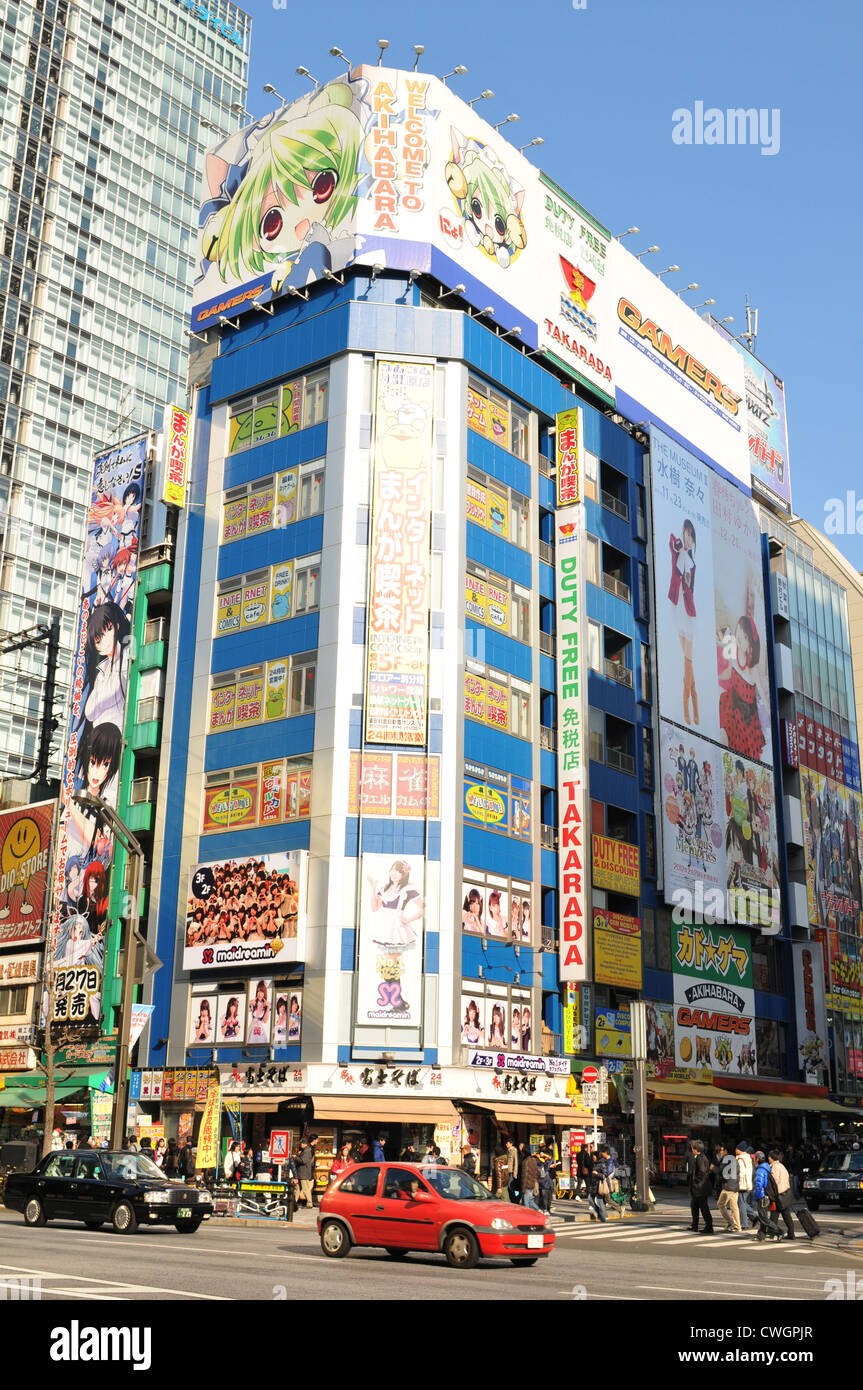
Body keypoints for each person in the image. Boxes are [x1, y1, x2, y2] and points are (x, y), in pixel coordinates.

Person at [753, 1150, 783, 1242]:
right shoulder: (766, 1168)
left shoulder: (760, 1170)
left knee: (763, 1218)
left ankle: (779, 1231)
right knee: (763, 1216)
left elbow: (759, 1185)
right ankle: (761, 1236)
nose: (754, 1160)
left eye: (754, 1158)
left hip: (762, 1196)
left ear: (757, 1159)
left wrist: (756, 1196)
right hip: (766, 1196)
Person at [767, 1148, 796, 1239]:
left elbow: (774, 1182)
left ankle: (772, 1232)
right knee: (786, 1215)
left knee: (774, 1214)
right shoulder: (782, 1166)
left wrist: (771, 1194)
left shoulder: (774, 1167)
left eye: (769, 1157)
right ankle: (791, 1233)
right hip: (785, 1193)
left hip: (778, 1194)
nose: (768, 1158)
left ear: (772, 1158)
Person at [713, 1142, 742, 1233]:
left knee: (720, 1204)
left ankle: (730, 1223)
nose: (720, 1152)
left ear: (725, 1151)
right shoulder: (733, 1159)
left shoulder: (727, 1159)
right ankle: (737, 1226)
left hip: (729, 1186)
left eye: (721, 1150)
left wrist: (713, 1168)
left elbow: (724, 1173)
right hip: (735, 1185)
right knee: (734, 1206)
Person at [687, 1139, 714, 1233]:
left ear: (695, 1149)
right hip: (699, 1187)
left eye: (692, 1148)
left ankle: (709, 1226)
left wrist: (695, 1180)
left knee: (703, 1208)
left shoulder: (700, 1158)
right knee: (695, 1207)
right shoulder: (701, 1157)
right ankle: (695, 1225)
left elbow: (702, 1172)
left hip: (700, 1188)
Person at [736, 1141, 756, 1230]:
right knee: (743, 1202)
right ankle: (754, 1217)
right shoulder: (748, 1158)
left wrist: (737, 1181)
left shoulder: (740, 1159)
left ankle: (744, 1223)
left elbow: (741, 1172)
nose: (735, 1150)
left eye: (736, 1148)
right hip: (748, 1183)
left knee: (741, 1203)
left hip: (742, 1184)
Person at [588, 1145, 611, 1223]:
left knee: (599, 1201)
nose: (593, 1157)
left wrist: (597, 1173)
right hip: (593, 1185)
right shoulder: (593, 1164)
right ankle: (600, 1214)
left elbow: (605, 1175)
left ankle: (603, 1217)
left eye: (594, 1156)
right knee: (590, 1200)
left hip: (599, 1185)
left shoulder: (602, 1164)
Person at [296, 1134, 318, 1208]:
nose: (300, 1145)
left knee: (305, 1189)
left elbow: (303, 1161)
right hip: (301, 1172)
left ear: (304, 1144)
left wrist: (296, 1157)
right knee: (298, 1188)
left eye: (301, 1144)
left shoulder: (307, 1150)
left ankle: (309, 1203)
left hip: (304, 1172)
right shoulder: (307, 1149)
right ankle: (294, 1202)